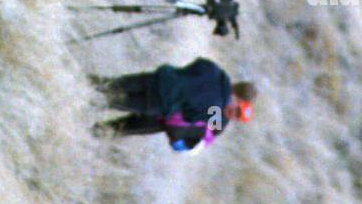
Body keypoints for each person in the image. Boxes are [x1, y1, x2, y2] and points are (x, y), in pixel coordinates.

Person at [92, 59, 257, 150]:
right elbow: (190, 117)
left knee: (109, 85)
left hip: (159, 80)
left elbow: (193, 66)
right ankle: (76, 110)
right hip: (160, 107)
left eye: (238, 115)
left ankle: (73, 79)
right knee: (109, 103)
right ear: (238, 100)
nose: (234, 113)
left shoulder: (214, 69)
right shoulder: (215, 111)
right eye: (237, 110)